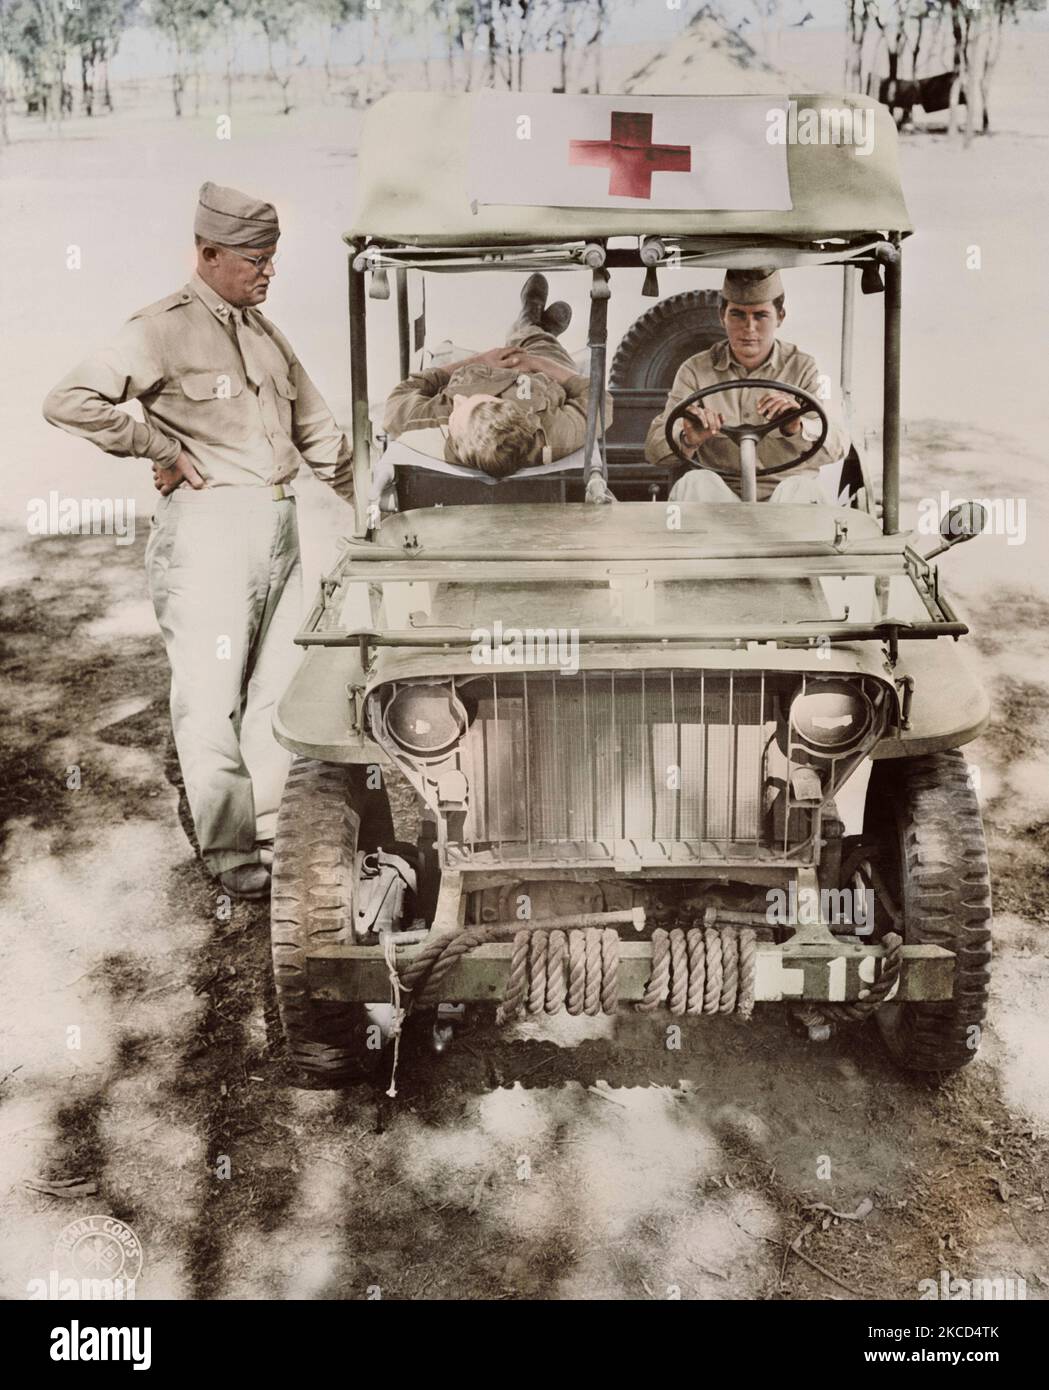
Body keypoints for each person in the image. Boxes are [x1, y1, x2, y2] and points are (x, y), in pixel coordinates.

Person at [42, 182, 355, 900]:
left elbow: (319, 433)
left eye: (272, 259)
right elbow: (70, 400)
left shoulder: (265, 332)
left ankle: (272, 829)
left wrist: (358, 506)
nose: (267, 272)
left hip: (282, 526)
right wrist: (154, 442)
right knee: (210, 695)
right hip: (210, 532)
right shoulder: (160, 328)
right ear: (208, 254)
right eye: (253, 260)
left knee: (280, 687)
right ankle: (228, 848)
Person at [645, 268, 848, 503]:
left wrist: (796, 426)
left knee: (803, 490)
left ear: (780, 316)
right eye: (738, 315)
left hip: (785, 499)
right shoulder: (695, 371)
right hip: (721, 499)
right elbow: (654, 451)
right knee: (694, 483)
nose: (749, 328)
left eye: (760, 315)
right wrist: (689, 438)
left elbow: (837, 445)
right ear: (722, 316)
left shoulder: (806, 369)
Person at [383, 274, 611, 476]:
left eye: (458, 410)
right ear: (517, 413)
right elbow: (600, 400)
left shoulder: (428, 422)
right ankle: (533, 325)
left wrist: (480, 360)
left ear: (455, 441)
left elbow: (403, 393)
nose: (459, 400)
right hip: (539, 375)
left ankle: (530, 322)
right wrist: (535, 362)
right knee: (540, 344)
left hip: (475, 372)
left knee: (515, 346)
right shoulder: (552, 433)